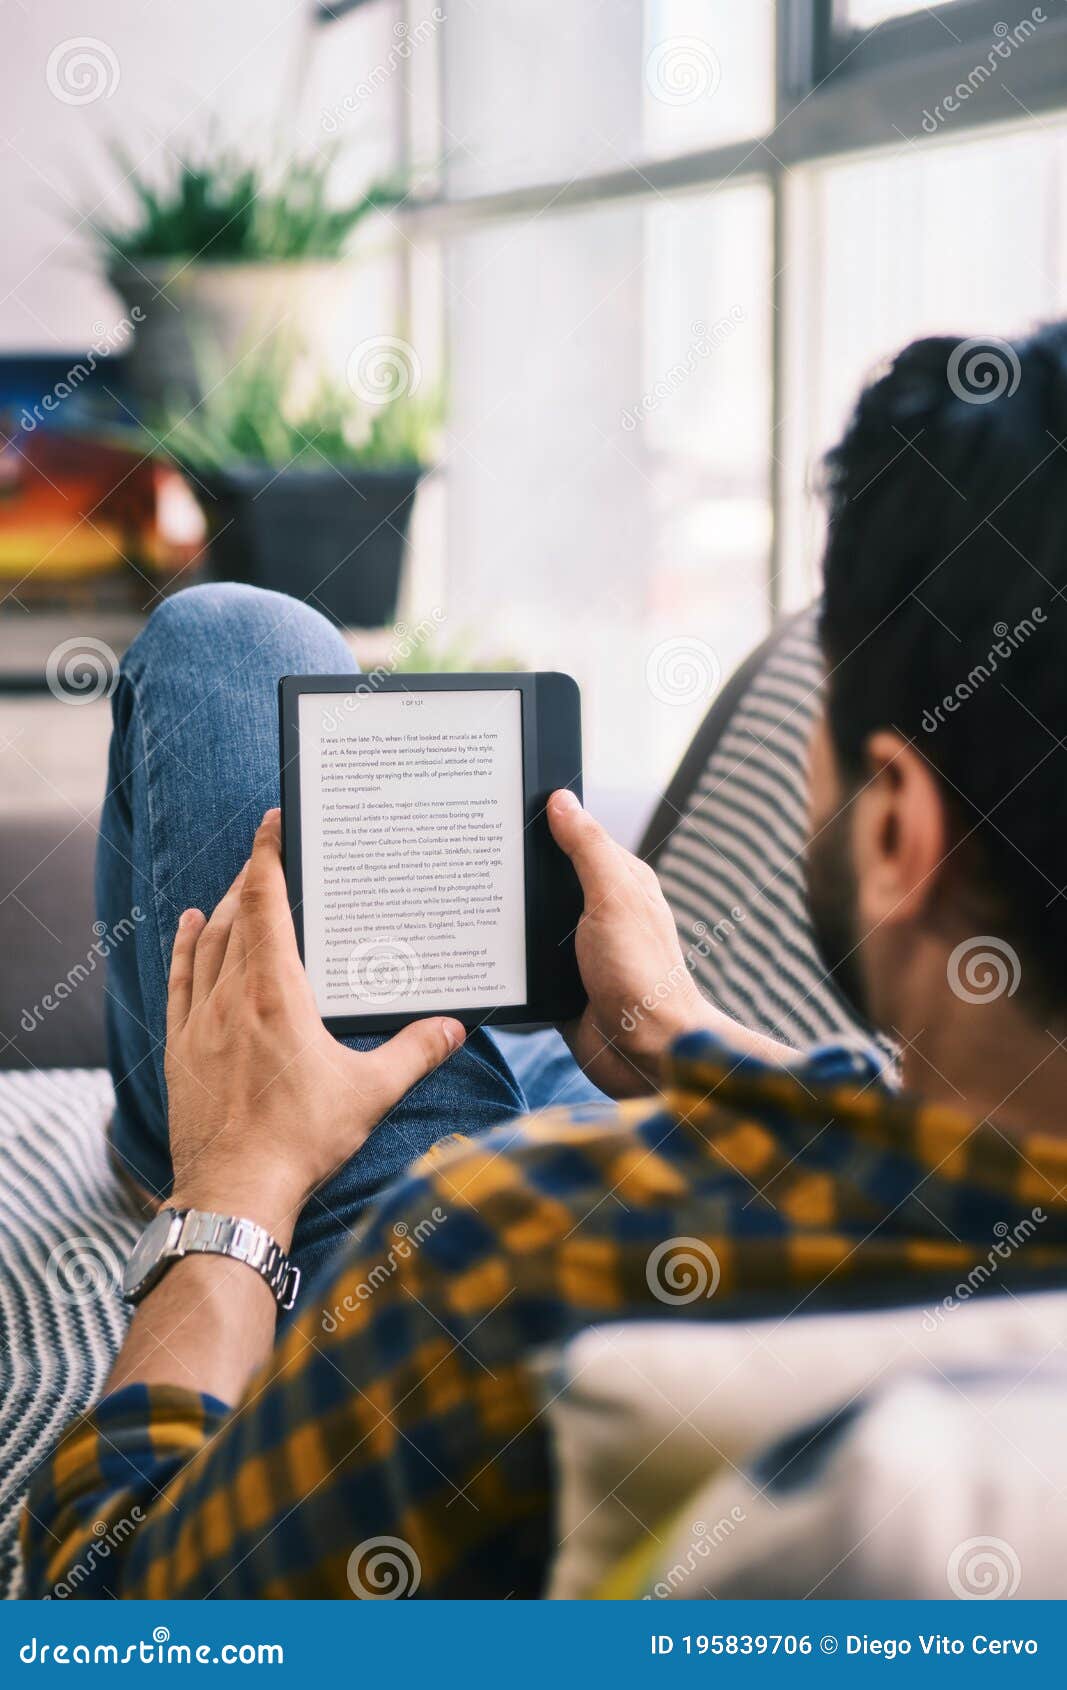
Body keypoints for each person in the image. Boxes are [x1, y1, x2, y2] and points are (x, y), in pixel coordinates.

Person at [22, 328, 1067, 1599]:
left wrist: (233, 1189)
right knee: (480, 1001)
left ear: (897, 828)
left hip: (442, 1242)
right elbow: (946, 1139)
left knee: (229, 642)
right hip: (756, 1161)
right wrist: (682, 1037)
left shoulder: (496, 1261)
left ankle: (186, 1141)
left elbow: (105, 1623)